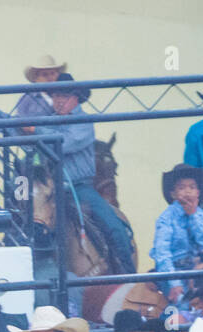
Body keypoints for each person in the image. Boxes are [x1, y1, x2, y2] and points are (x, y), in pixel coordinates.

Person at [38, 73, 135, 274]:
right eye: (56, 96)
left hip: (80, 188)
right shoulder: (48, 122)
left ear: (76, 98)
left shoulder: (83, 121)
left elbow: (64, 142)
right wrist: (0, 118)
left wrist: (34, 130)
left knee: (114, 226)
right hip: (52, 190)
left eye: (64, 97)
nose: (59, 101)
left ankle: (127, 273)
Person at [153, 164, 203, 303]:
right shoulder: (166, 219)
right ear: (173, 194)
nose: (187, 191)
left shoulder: (202, 216)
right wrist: (174, 283)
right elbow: (162, 254)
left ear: (198, 192)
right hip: (174, 270)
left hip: (199, 270)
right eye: (181, 187)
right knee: (182, 304)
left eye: (192, 187)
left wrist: (193, 216)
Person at [14, 55, 65, 124]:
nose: (50, 78)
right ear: (36, 79)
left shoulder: (68, 95)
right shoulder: (27, 99)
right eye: (45, 75)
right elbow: (21, 124)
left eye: (52, 73)